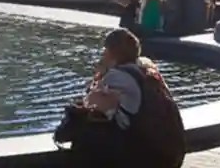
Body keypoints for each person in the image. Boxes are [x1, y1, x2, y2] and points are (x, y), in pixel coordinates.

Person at [70, 28, 185, 168]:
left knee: (88, 131)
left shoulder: (116, 76)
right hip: (169, 153)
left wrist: (99, 76)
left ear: (111, 52)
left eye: (105, 50)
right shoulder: (147, 70)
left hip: (146, 156)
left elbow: (90, 101)